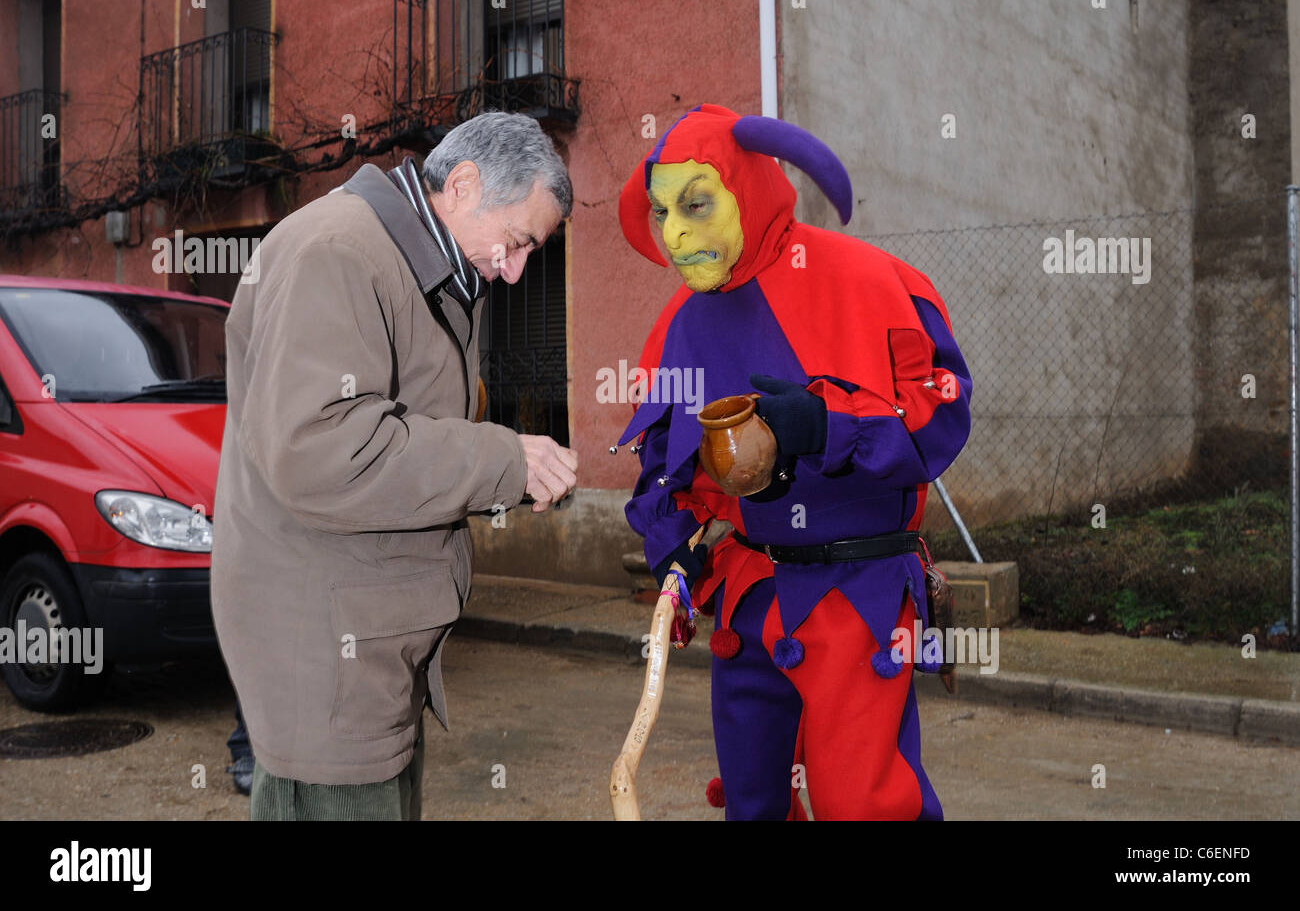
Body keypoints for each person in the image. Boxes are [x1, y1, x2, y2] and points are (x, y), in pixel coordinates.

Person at [212, 112, 578, 821]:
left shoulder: (414, 261)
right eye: (519, 240)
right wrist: (504, 457)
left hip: (364, 649)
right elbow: (322, 450)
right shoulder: (338, 252)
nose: (515, 270)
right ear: (464, 184)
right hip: (325, 660)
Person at [616, 104, 972, 820]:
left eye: (695, 205)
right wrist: (674, 554)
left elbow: (941, 416)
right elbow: (665, 469)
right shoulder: (681, 325)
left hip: (860, 596)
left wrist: (828, 427)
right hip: (750, 598)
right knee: (754, 802)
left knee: (860, 801)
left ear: (747, 188)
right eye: (662, 214)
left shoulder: (875, 282)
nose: (676, 234)